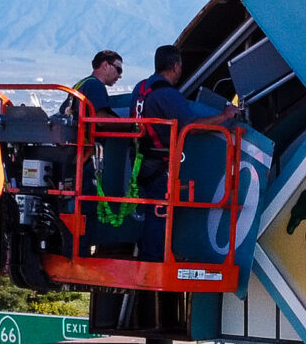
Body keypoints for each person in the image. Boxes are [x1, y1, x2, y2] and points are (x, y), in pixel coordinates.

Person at [130, 45, 242, 259]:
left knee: (155, 208)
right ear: (175, 66)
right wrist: (226, 116)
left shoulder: (141, 89)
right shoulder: (168, 95)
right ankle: (154, 259)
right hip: (159, 164)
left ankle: (151, 254)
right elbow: (193, 126)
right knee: (160, 211)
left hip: (140, 160)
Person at [73, 50, 124, 117]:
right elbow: (101, 119)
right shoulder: (95, 85)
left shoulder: (82, 84)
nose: (120, 76)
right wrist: (130, 125)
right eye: (119, 70)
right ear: (105, 65)